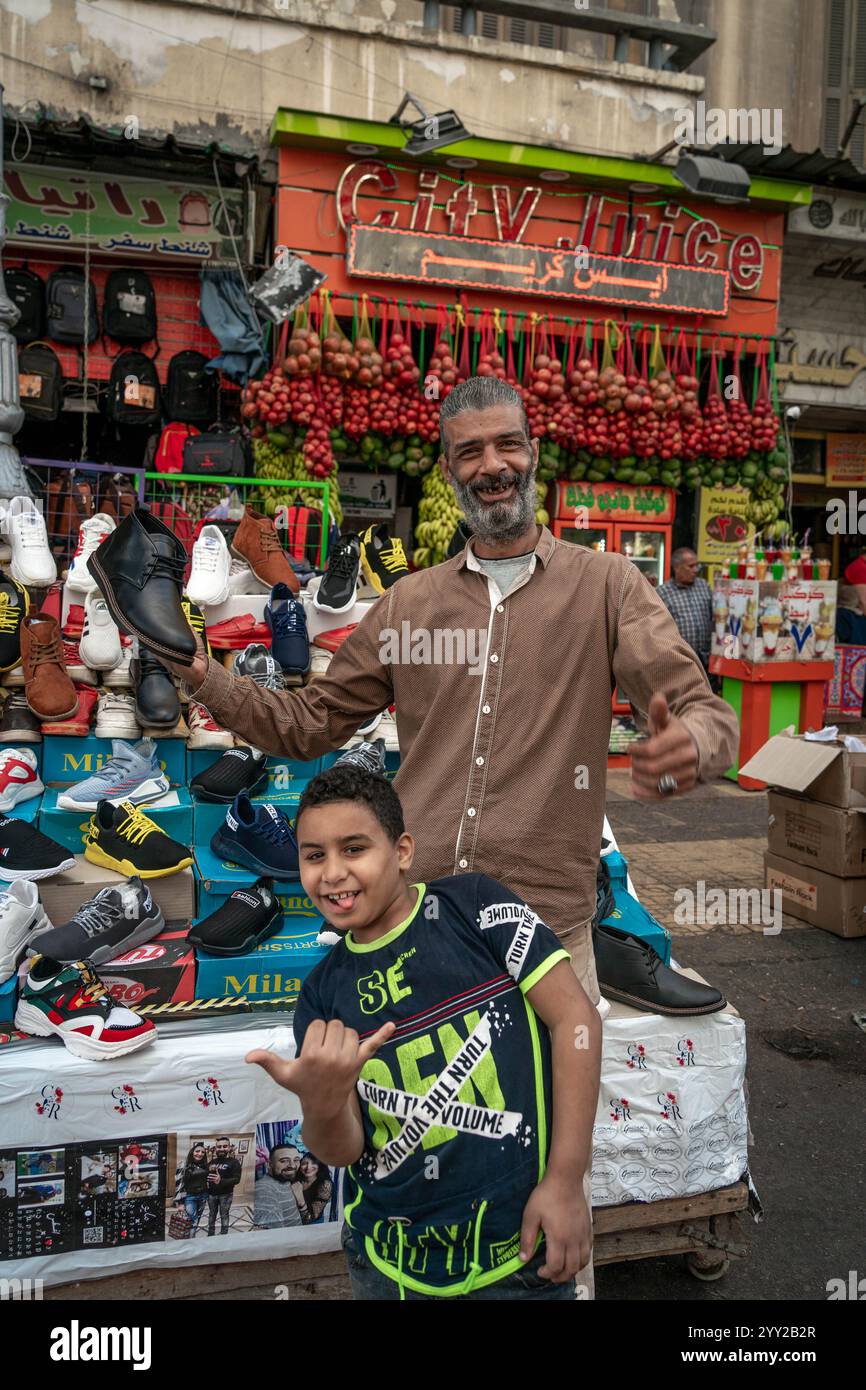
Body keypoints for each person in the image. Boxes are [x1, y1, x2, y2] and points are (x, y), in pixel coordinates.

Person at [166, 376, 738, 1294]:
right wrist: (195, 670)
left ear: (533, 451)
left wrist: (692, 747)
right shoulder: (410, 608)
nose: (492, 465)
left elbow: (704, 710)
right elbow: (310, 722)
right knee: (408, 1185)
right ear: (447, 471)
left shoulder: (605, 587)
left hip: (544, 947)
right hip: (418, 947)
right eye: (469, 451)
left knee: (549, 1225)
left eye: (506, 444)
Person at [248, 764, 601, 1300]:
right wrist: (322, 1101)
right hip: (391, 1270)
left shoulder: (477, 907)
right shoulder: (323, 994)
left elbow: (576, 1020)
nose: (333, 873)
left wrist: (566, 1180)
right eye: (314, 856)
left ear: (403, 851)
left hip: (520, 1252)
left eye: (354, 849)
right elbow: (342, 1150)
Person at [656, 547, 713, 673]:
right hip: (678, 662)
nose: (695, 570)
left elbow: (712, 617)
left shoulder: (704, 586)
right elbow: (656, 629)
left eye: (697, 566)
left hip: (705, 661)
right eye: (691, 566)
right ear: (677, 567)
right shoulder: (663, 592)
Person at [254, 1144, 303, 1230]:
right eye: (284, 1161)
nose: (292, 1165)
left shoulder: (286, 1179)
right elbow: (274, 1235)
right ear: (269, 1164)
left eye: (296, 1160)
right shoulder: (263, 1188)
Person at [206, 1137, 241, 1237]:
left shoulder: (234, 1162)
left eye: (225, 1146)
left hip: (226, 1195)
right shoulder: (212, 1162)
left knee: (224, 1215)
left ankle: (224, 1236)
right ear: (216, 1148)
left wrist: (221, 1181)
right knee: (212, 1215)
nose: (221, 1149)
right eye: (219, 1146)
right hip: (211, 1194)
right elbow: (205, 1175)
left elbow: (237, 1179)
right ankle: (210, 1235)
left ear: (229, 1148)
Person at [176, 1142, 210, 1235]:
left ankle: (191, 1238)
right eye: (197, 1151)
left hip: (203, 1196)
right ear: (192, 1152)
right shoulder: (183, 1165)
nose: (200, 1154)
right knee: (192, 1220)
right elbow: (179, 1185)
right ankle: (189, 1240)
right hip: (190, 1197)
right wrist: (180, 1203)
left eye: (203, 1152)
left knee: (196, 1220)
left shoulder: (205, 1165)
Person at [292, 1154, 333, 1224]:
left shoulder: (325, 1184)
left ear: (320, 1165)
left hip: (313, 1224)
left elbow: (310, 1218)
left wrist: (301, 1200)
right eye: (304, 1164)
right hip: (293, 1221)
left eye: (314, 1163)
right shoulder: (296, 1179)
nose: (308, 1167)